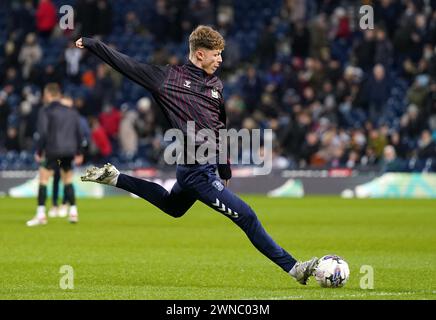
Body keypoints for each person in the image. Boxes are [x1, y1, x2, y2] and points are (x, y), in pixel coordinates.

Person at [76, 26, 318, 285]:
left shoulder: (216, 84)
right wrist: (92, 44)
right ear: (200, 54)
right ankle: (295, 268)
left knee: (173, 207)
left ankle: (116, 178)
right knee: (246, 215)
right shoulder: (167, 79)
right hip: (197, 172)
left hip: (201, 167)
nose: (221, 60)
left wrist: (224, 167)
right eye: (216, 54)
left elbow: (219, 127)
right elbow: (127, 65)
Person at [26, 83, 84, 226]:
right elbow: (79, 133)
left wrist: (39, 151)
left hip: (52, 150)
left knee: (44, 179)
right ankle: (73, 212)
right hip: (69, 151)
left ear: (48, 94)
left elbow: (43, 133)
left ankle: (40, 215)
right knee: (68, 180)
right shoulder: (72, 112)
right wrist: (79, 152)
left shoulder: (45, 111)